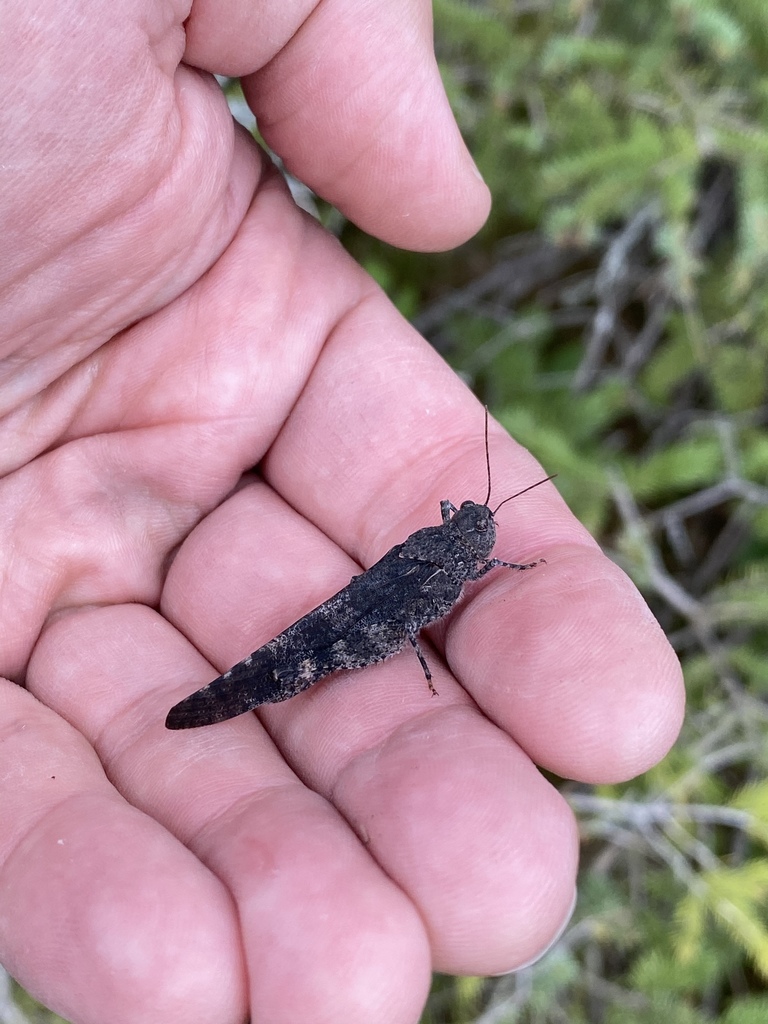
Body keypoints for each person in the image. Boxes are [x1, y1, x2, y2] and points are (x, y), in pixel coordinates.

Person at [0, 2, 685, 1022]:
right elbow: (424, 576)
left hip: (360, 624)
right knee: (308, 649)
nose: (483, 537)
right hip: (349, 617)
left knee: (317, 656)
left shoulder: (462, 554)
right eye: (479, 533)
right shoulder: (455, 544)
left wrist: (462, 577)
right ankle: (229, 696)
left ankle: (227, 698)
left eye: (484, 538)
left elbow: (428, 590)